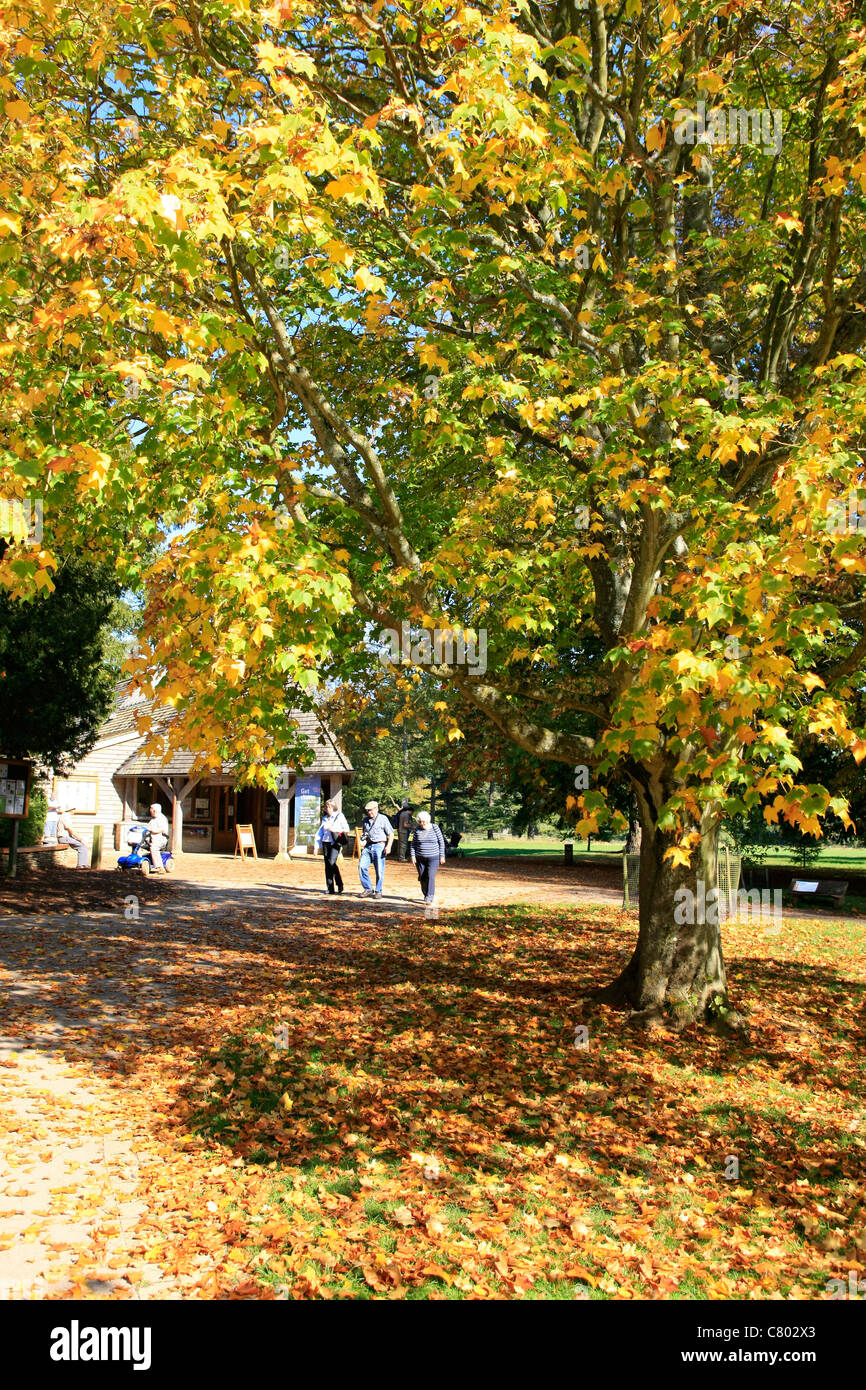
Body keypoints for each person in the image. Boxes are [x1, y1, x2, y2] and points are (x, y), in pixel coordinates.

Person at [358, 800, 394, 898]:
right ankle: (368, 888)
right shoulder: (365, 820)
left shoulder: (383, 819)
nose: (370, 812)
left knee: (379, 870)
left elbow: (391, 834)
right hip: (368, 846)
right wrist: (363, 839)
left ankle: (378, 891)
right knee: (362, 866)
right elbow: (365, 833)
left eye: (371, 810)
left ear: (376, 809)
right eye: (368, 811)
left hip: (379, 846)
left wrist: (388, 846)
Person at [314, 799, 350, 894]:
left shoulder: (339, 816)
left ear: (333, 807)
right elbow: (320, 833)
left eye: (329, 807)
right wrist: (316, 846)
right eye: (326, 807)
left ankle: (339, 883)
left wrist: (333, 829)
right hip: (326, 843)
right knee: (327, 865)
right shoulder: (325, 818)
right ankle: (330, 888)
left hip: (335, 843)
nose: (327, 809)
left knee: (331, 862)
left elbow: (346, 828)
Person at [410, 810, 446, 905]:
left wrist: (442, 856)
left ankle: (430, 896)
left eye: (423, 821)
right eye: (420, 821)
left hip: (433, 857)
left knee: (430, 876)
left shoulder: (435, 828)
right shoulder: (417, 830)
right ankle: (426, 893)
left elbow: (441, 842)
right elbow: (413, 844)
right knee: (422, 877)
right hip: (420, 857)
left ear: (428, 820)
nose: (422, 823)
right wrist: (413, 856)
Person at [52, 803, 90, 869]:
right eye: (73, 809)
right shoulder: (65, 816)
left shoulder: (65, 816)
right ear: (70, 810)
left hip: (66, 837)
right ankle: (81, 865)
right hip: (64, 837)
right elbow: (70, 830)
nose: (74, 811)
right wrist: (80, 839)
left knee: (82, 845)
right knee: (82, 845)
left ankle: (84, 864)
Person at [147, 801, 170, 873]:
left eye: (151, 809)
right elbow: (147, 828)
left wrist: (153, 831)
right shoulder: (153, 819)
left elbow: (161, 829)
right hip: (152, 838)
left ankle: (160, 867)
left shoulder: (162, 818)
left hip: (161, 839)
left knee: (154, 848)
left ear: (154, 810)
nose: (150, 810)